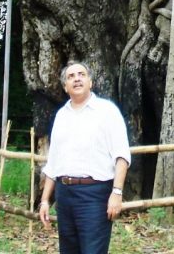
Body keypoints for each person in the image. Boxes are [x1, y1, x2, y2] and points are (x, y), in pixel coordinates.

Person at [38, 61, 131, 254]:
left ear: (90, 82)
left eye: (81, 74)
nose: (77, 79)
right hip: (64, 195)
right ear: (65, 87)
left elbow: (121, 155)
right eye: (71, 77)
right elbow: (53, 162)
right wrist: (45, 200)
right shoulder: (61, 116)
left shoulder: (107, 111)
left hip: (94, 195)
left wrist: (117, 192)